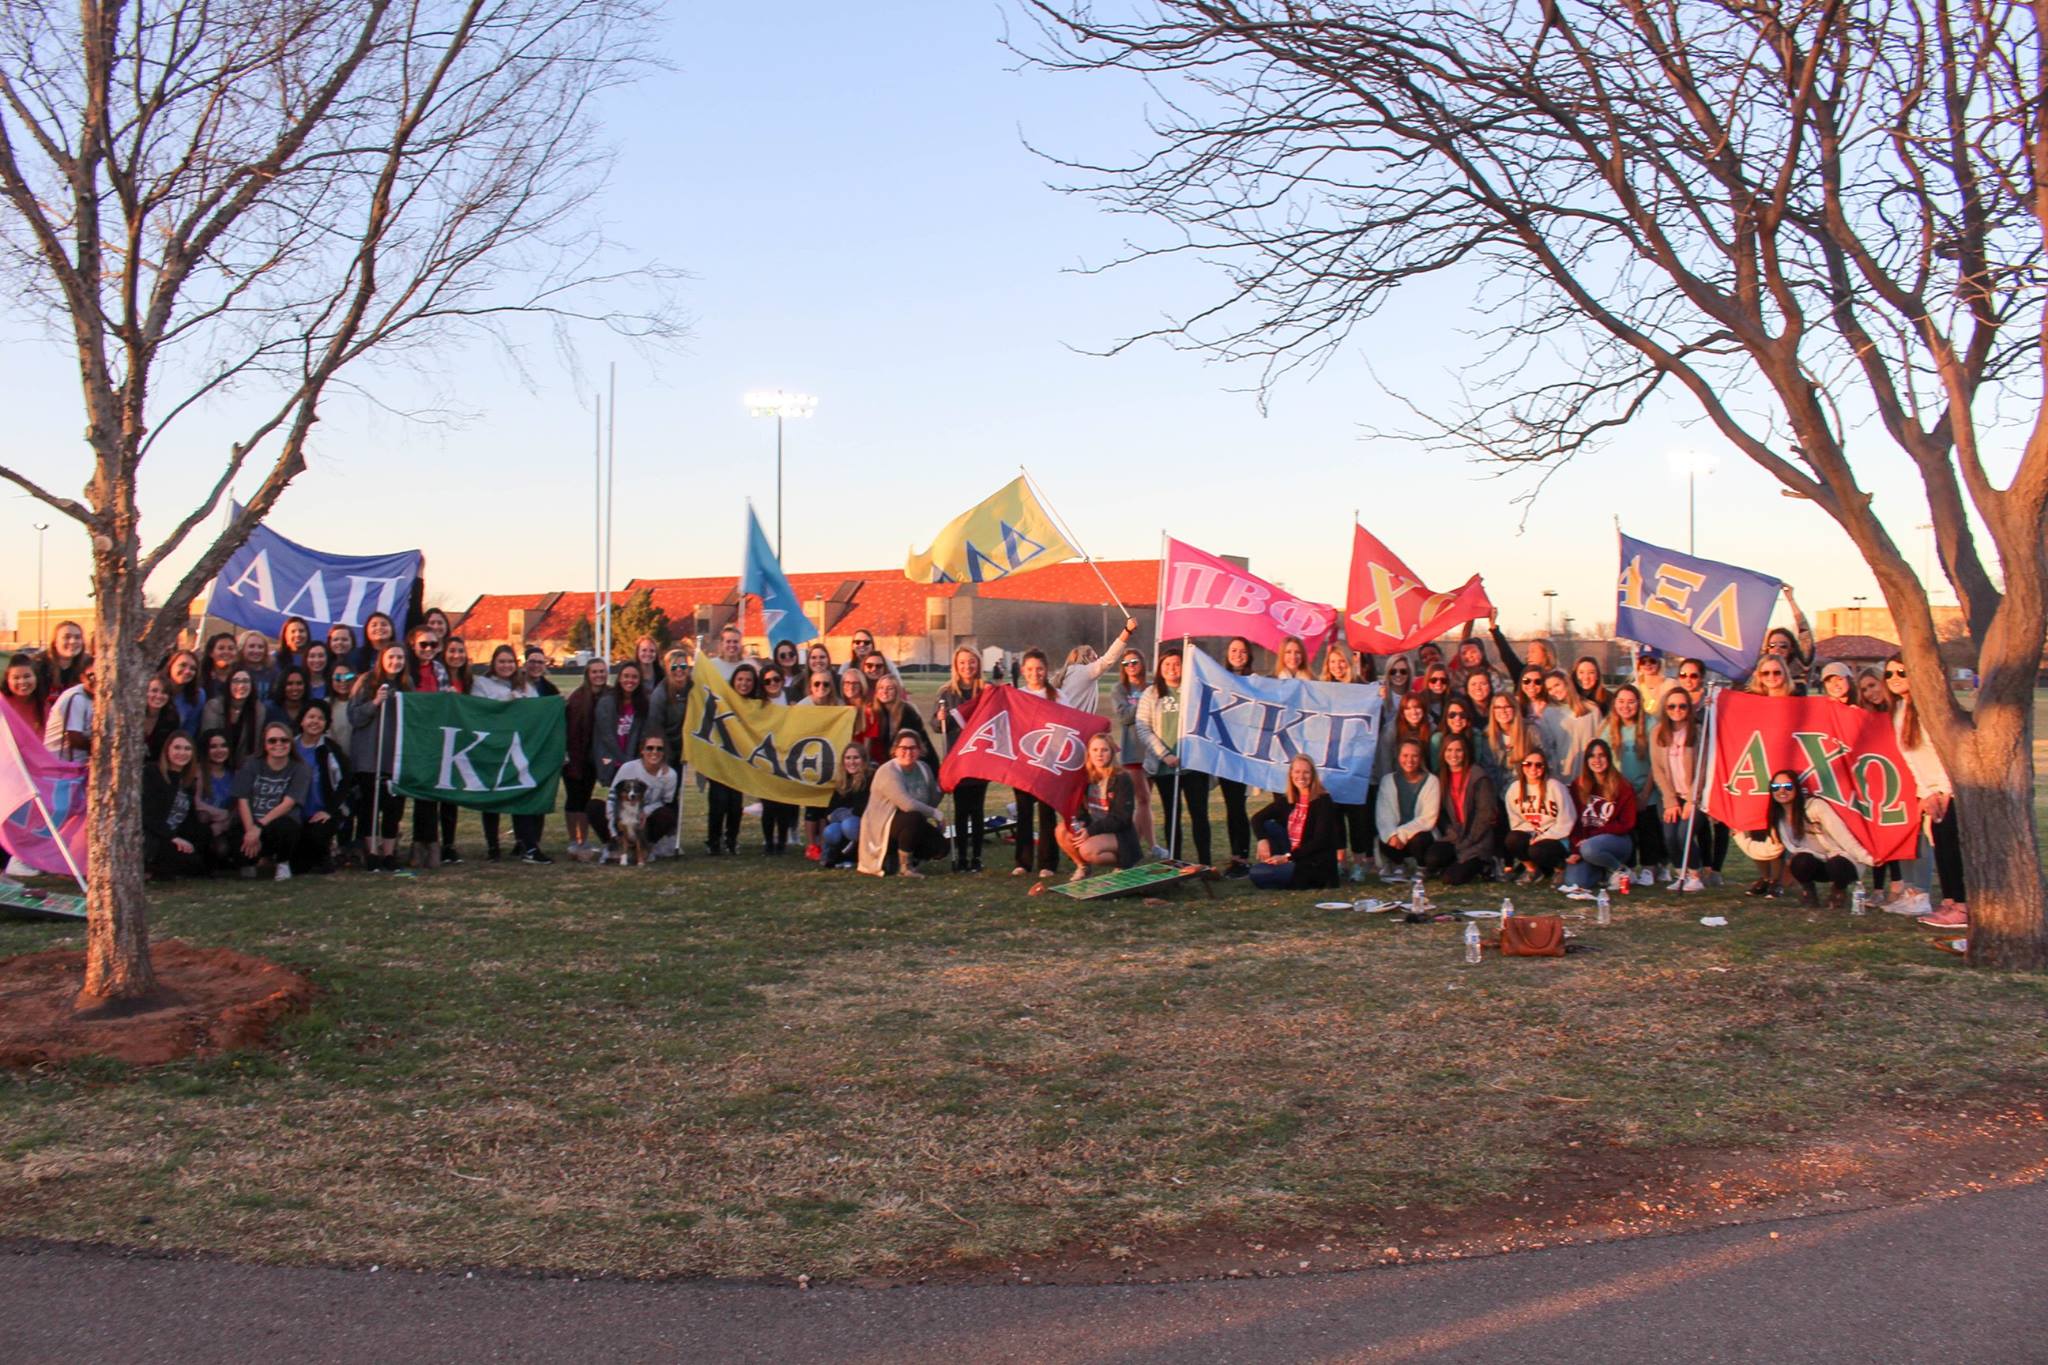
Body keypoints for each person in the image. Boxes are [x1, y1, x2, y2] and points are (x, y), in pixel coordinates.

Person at [1886, 653, 1966, 928]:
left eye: (1900, 672)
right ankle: (1949, 902)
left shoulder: (1930, 709)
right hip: (1930, 792)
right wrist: (1926, 793)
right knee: (1941, 846)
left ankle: (1962, 906)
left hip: (1951, 789)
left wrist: (1944, 791)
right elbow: (1910, 758)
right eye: (1889, 674)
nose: (1894, 679)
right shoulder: (1899, 710)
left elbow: (1947, 752)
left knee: (1951, 847)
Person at [472, 645, 552, 863]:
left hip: (518, 748)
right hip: (492, 747)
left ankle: (526, 844)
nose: (506, 666)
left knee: (520, 794)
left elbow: (537, 712)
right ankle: (493, 846)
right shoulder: (481, 684)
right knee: (492, 797)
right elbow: (477, 711)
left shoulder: (525, 686)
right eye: (502, 661)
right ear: (494, 664)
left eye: (510, 662)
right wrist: (505, 704)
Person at [1135, 645, 1212, 866]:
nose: (1172, 668)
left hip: (1194, 764)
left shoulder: (1193, 691)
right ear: (1159, 667)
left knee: (1199, 814)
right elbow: (1143, 728)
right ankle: (1174, 863)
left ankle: (1205, 863)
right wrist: (1165, 755)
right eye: (1167, 664)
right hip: (1165, 766)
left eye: (1177, 664)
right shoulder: (1151, 694)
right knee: (1173, 815)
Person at [1764, 769, 1870, 908]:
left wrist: (1867, 858)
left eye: (1788, 787)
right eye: (1776, 787)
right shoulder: (1778, 818)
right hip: (1817, 863)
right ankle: (1809, 893)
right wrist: (1739, 835)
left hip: (1844, 861)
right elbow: (1768, 850)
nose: (1782, 791)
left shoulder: (1815, 806)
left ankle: (1838, 891)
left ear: (1797, 788)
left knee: (1836, 864)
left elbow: (1844, 837)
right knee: (1800, 861)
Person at [346, 645, 410, 873]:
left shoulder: (406, 685)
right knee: (369, 807)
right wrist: (375, 702)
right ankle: (371, 852)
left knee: (393, 808)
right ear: (382, 659)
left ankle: (389, 853)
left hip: (394, 756)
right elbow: (354, 716)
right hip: (369, 755)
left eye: (400, 657)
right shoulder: (367, 681)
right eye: (391, 656)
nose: (395, 661)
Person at [1004, 649, 1067, 876]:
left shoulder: (1058, 696)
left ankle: (1048, 863)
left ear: (1046, 670)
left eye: (1039, 668)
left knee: (1046, 813)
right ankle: (1022, 861)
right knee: (1023, 812)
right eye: (1030, 669)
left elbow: (1067, 726)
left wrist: (1051, 756)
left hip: (1048, 762)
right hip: (1023, 763)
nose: (1035, 673)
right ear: (1022, 671)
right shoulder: (1017, 695)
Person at [933, 646, 992, 872]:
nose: (967, 667)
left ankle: (976, 857)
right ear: (956, 666)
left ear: (978, 663)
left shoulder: (986, 691)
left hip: (979, 759)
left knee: (977, 810)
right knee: (960, 810)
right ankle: (961, 856)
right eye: (962, 663)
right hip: (957, 760)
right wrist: (939, 719)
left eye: (971, 662)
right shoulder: (946, 693)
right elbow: (935, 726)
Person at [858, 730, 948, 877]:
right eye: (903, 748)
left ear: (920, 750)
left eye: (913, 748)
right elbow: (907, 804)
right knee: (914, 817)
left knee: (941, 847)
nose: (908, 752)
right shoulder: (888, 771)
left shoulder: (924, 768)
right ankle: (904, 867)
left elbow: (931, 802)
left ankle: (907, 857)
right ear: (895, 750)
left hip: (910, 825)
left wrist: (943, 786)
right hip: (883, 827)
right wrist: (936, 814)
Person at [1247, 754, 1341, 891]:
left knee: (1258, 873)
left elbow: (1320, 841)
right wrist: (1262, 840)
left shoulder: (1323, 800)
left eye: (1306, 772)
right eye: (1297, 772)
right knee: (1269, 826)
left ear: (1313, 775)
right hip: (1292, 855)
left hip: (1313, 861)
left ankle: (1291, 876)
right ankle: (1281, 872)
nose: (1301, 777)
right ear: (1291, 774)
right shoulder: (1288, 799)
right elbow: (1257, 818)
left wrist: (1287, 857)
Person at [1055, 732, 1141, 878]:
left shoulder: (1121, 778)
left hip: (1118, 832)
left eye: (1104, 750)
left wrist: (1089, 831)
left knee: (1088, 850)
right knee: (1061, 830)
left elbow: (1122, 818)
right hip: (1093, 826)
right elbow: (1080, 809)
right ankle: (1083, 867)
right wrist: (1080, 822)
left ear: (1112, 753)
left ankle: (1125, 864)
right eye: (1095, 750)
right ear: (1089, 753)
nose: (1099, 754)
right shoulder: (1085, 776)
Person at [1321, 643, 1374, 881]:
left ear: (1350, 663)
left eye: (1341, 661)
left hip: (1357, 762)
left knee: (1357, 815)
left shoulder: (1363, 688)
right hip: (1331, 761)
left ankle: (1360, 862)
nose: (1337, 666)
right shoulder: (1323, 690)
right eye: (1333, 662)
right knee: (1334, 814)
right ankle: (1340, 860)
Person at [1602, 685, 1664, 885]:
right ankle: (1627, 868)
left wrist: (1645, 794)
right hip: (1620, 791)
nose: (1626, 706)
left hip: (1646, 789)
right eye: (1621, 701)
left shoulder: (1650, 725)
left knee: (1648, 829)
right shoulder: (1608, 727)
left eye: (1631, 702)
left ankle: (1650, 867)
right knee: (1625, 831)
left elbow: (1656, 763)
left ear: (1639, 703)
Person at [588, 733, 681, 864]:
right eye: (650, 748)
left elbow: (665, 801)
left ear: (664, 752)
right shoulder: (628, 767)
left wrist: (646, 812)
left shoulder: (670, 775)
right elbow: (613, 795)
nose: (654, 752)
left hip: (645, 819)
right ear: (642, 750)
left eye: (659, 748)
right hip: (621, 814)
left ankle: (645, 847)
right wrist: (613, 826)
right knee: (594, 806)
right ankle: (613, 846)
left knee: (667, 815)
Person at [234, 721, 309, 880]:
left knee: (287, 828)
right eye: (272, 740)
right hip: (252, 820)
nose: (278, 744)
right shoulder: (251, 764)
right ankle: (248, 863)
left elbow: (288, 804)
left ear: (291, 743)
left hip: (276, 822)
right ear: (265, 744)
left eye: (284, 740)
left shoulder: (300, 768)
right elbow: (242, 799)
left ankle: (283, 863)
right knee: (234, 832)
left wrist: (259, 826)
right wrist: (251, 831)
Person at [1650, 687, 1708, 891]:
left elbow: (1703, 768)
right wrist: (1670, 801)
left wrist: (1692, 800)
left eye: (1682, 706)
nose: (1677, 710)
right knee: (1669, 836)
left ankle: (1695, 874)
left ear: (1689, 708)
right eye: (1672, 706)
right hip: (1671, 796)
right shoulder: (1657, 733)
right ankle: (1680, 873)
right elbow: (1657, 769)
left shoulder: (1698, 731)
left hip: (1694, 795)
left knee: (1684, 834)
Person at [1423, 734, 1500, 885]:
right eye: (1449, 750)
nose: (1453, 755)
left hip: (1477, 838)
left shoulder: (1478, 776)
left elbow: (1486, 814)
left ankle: (1485, 864)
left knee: (1451, 879)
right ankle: (1456, 862)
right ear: (1443, 752)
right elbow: (1442, 814)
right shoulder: (1441, 777)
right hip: (1455, 836)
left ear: (1466, 753)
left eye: (1458, 750)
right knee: (1432, 858)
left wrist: (1469, 840)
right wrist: (1452, 834)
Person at [1563, 739, 1636, 896]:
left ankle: (1621, 870)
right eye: (1592, 756)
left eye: (1601, 755)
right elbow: (1573, 822)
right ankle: (1605, 872)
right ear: (1586, 760)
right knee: (1574, 882)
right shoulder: (1578, 786)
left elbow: (1627, 823)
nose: (1597, 760)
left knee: (1590, 848)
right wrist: (1576, 849)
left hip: (1617, 842)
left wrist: (1592, 838)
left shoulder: (1622, 786)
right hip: (1586, 846)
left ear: (1609, 758)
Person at [290, 700, 349, 874]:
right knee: (298, 867)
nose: (315, 722)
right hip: (294, 813)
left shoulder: (331, 749)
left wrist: (329, 811)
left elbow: (344, 782)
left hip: (321, 813)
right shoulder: (289, 747)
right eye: (311, 717)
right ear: (302, 720)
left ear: (326, 724)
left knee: (317, 837)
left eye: (320, 718)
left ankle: (324, 852)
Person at [1213, 637, 1258, 866]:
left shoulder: (1256, 681)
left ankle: (1242, 855)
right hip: (1225, 752)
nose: (1238, 654)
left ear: (1249, 654)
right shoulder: (1219, 679)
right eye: (1233, 650)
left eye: (1242, 650)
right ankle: (1235, 855)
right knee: (1232, 805)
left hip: (1249, 753)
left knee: (1239, 805)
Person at [561, 658, 609, 861]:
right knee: (575, 799)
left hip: (595, 757)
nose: (599, 675)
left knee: (585, 798)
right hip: (576, 755)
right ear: (588, 674)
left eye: (602, 672)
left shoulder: (611, 695)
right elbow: (571, 731)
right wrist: (571, 758)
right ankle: (575, 841)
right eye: (595, 672)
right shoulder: (578, 698)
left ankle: (585, 840)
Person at [1504, 749, 1575, 885]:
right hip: (1532, 833)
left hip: (1556, 838)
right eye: (1528, 764)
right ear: (1522, 766)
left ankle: (1560, 869)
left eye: (1538, 765)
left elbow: (1568, 820)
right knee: (1512, 839)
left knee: (1537, 849)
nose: (1533, 768)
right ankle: (1532, 870)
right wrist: (1533, 834)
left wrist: (1543, 836)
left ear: (1545, 767)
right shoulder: (1514, 789)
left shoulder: (1555, 787)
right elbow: (1516, 822)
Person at [143, 732, 209, 879]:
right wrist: (172, 837)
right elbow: (147, 815)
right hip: (154, 837)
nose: (182, 753)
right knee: (186, 861)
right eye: (177, 748)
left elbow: (188, 819)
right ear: (167, 750)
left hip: (174, 836)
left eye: (187, 749)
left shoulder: (188, 781)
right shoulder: (152, 773)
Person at [1374, 738, 1440, 875]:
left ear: (1420, 758)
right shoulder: (1388, 780)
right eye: (1405, 755)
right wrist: (1392, 835)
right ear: (1398, 757)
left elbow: (1428, 818)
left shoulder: (1432, 781)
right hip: (1396, 839)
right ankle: (1398, 864)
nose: (1409, 760)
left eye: (1414, 756)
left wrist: (1402, 834)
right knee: (1385, 838)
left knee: (1419, 840)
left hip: (1419, 835)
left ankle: (1422, 867)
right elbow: (1383, 815)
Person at [1054, 618, 1139, 711]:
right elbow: (1108, 659)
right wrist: (1127, 631)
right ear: (1085, 657)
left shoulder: (1066, 673)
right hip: (1073, 721)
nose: (1098, 659)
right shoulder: (1084, 672)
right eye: (1095, 657)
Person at [198, 668, 270, 767]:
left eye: (246, 681)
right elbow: (208, 742)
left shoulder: (259, 709)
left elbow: (256, 745)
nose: (241, 685)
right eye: (236, 681)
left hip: (244, 766)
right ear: (228, 685)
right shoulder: (213, 706)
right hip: (215, 765)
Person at [819, 744, 871, 868]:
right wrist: (841, 814)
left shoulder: (870, 778)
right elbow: (829, 812)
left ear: (863, 760)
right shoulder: (842, 780)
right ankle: (836, 856)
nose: (851, 762)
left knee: (848, 825)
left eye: (856, 758)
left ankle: (855, 857)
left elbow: (862, 808)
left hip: (864, 822)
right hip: (844, 821)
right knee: (830, 831)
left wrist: (842, 814)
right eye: (848, 758)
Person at [193, 729, 240, 865]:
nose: (219, 750)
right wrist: (219, 814)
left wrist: (222, 824)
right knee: (203, 816)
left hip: (226, 825)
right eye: (213, 747)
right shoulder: (198, 770)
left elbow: (238, 807)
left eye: (223, 746)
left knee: (222, 850)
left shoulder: (235, 773)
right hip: (203, 823)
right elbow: (196, 802)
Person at [1543, 669, 1600, 780]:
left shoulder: (1592, 710)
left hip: (1589, 775)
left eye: (1557, 685)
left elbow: (1600, 742)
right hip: (1563, 775)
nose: (1554, 691)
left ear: (1566, 683)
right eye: (1550, 689)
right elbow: (1548, 748)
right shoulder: (1548, 713)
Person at [1764, 586, 1817, 691]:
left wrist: (1791, 599)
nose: (1777, 649)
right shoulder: (1762, 671)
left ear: (1792, 648)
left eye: (1783, 646)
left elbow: (1805, 632)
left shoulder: (1800, 666)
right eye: (1772, 645)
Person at [43, 659, 95, 762]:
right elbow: (76, 740)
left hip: (77, 765)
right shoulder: (76, 698)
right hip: (61, 766)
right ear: (82, 678)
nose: (98, 681)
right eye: (92, 677)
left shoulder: (99, 698)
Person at [1479, 692, 1528, 793]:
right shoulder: (1487, 735)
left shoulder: (1530, 731)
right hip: (1500, 791)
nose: (1503, 711)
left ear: (1515, 708)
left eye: (1507, 706)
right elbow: (1489, 769)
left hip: (1527, 789)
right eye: (1498, 707)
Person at [36, 620, 90, 699]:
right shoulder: (38, 666)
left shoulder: (88, 666)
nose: (73, 641)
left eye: (77, 637)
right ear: (55, 642)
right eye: (67, 637)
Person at [162, 649, 207, 733]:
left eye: (193, 668)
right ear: (171, 665)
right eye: (183, 665)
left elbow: (189, 729)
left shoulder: (199, 695)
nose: (187, 671)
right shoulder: (155, 688)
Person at [2, 654, 46, 733]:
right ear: (7, 680)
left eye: (27, 676)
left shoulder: (44, 707)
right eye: (16, 678)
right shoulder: (2, 704)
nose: (22, 682)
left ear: (36, 678)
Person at [142, 674, 178, 761]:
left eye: (164, 692)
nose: (159, 696)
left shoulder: (172, 719)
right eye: (154, 691)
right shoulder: (133, 716)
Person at [235, 629, 278, 700]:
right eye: (251, 646)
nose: (256, 650)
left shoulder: (273, 673)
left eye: (260, 647)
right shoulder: (234, 671)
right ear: (242, 648)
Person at [272, 666, 313, 733]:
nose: (295, 688)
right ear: (282, 686)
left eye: (299, 683)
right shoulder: (271, 710)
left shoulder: (312, 709)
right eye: (289, 684)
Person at [201, 630, 240, 697]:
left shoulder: (242, 677)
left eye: (231, 648)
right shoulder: (201, 678)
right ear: (211, 653)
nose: (226, 652)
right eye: (221, 648)